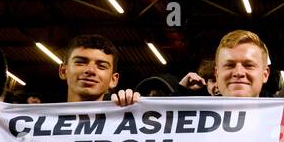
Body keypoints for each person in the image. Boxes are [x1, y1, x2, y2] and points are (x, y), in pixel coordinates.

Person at [116, 30, 273, 105]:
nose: (239, 73)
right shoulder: (188, 116)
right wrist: (127, 111)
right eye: (229, 65)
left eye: (249, 65)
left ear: (265, 74)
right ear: (217, 74)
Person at [58, 34, 119, 102]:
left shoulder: (130, 111)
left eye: (102, 66)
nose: (91, 70)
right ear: (63, 71)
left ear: (113, 80)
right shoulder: (44, 112)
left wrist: (131, 108)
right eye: (80, 62)